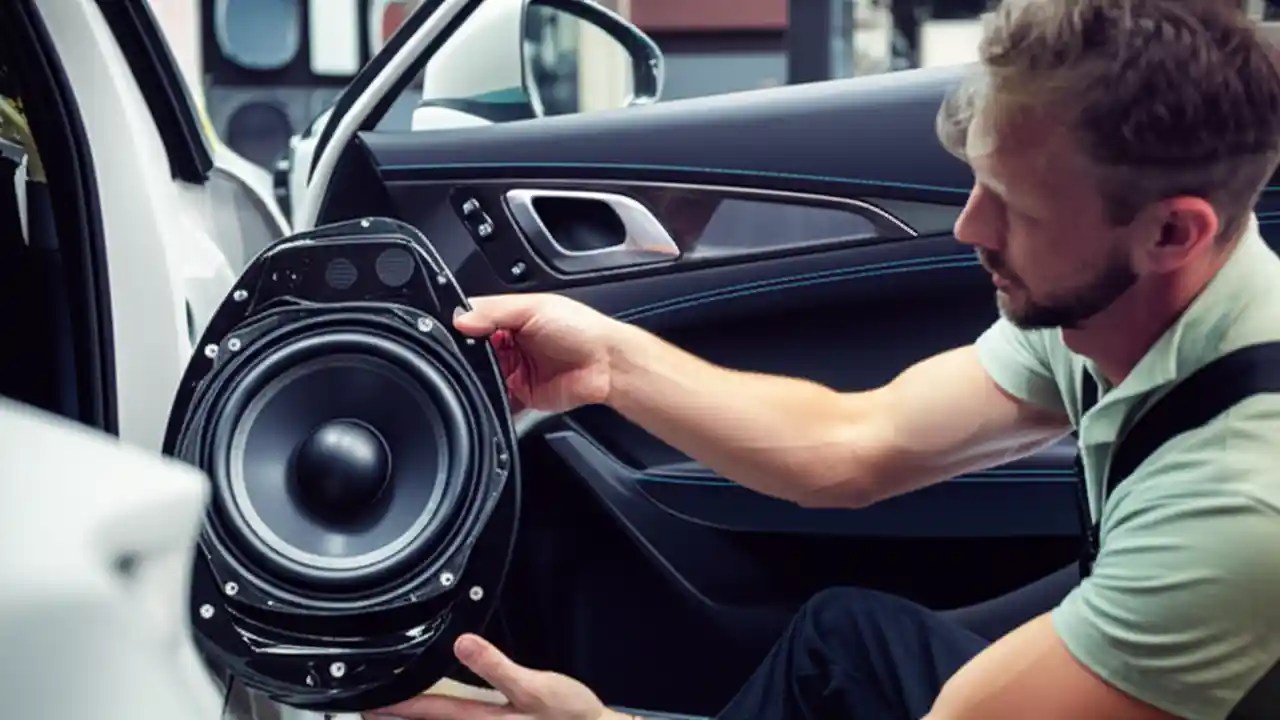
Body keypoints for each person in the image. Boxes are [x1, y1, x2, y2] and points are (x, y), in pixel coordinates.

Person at [368, 0, 1280, 718]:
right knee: (841, 646)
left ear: (1172, 232)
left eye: (1017, 208)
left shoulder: (1240, 507)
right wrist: (608, 361)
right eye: (976, 182)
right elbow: (856, 444)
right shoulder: (1138, 303)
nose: (970, 229)